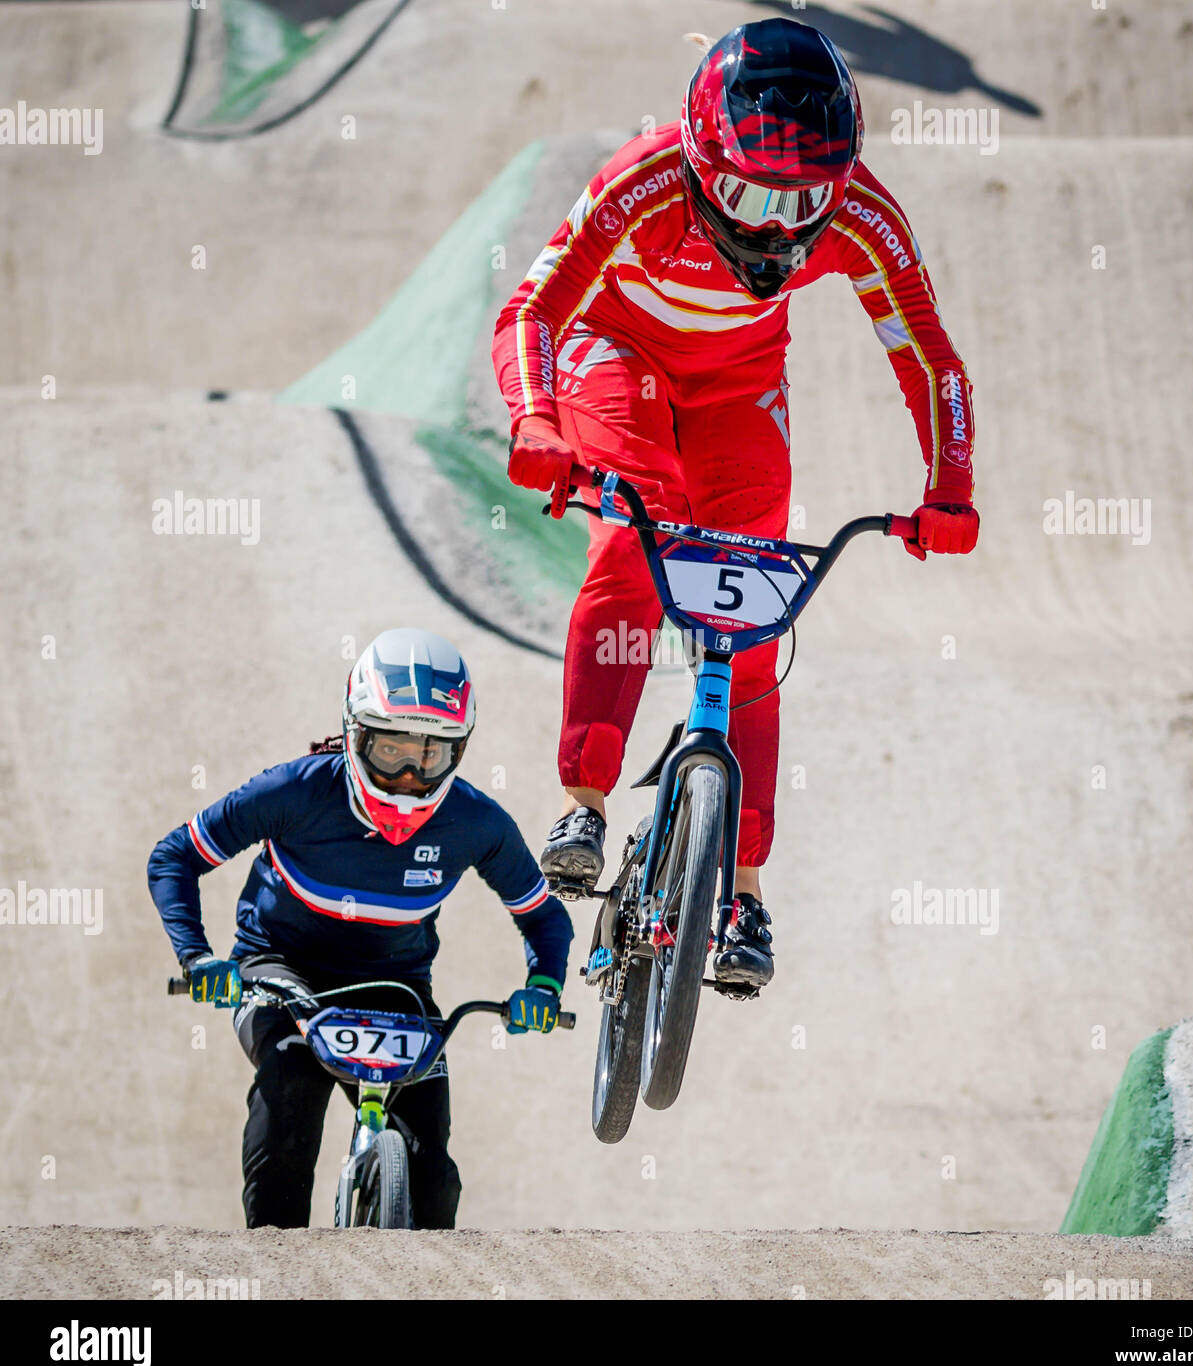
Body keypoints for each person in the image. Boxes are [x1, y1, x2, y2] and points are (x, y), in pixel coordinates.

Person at [492, 18, 979, 988]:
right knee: (639, 537)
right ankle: (583, 802)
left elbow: (928, 357)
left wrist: (950, 487)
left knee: (754, 603)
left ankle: (744, 895)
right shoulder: (645, 177)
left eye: (803, 200)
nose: (774, 227)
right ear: (701, 160)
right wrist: (536, 421)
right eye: (751, 194)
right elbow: (534, 310)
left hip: (735, 383)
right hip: (613, 351)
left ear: (840, 178)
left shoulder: (859, 218)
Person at [147, 628, 573, 1228]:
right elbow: (174, 857)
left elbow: (544, 916)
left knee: (432, 1179)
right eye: (391, 749)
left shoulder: (476, 821)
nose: (407, 775)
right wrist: (198, 959)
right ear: (354, 734)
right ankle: (279, 1274)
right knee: (291, 1083)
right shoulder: (294, 791)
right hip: (278, 970)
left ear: (461, 749)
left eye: (431, 753)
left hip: (394, 986)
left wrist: (545, 986)